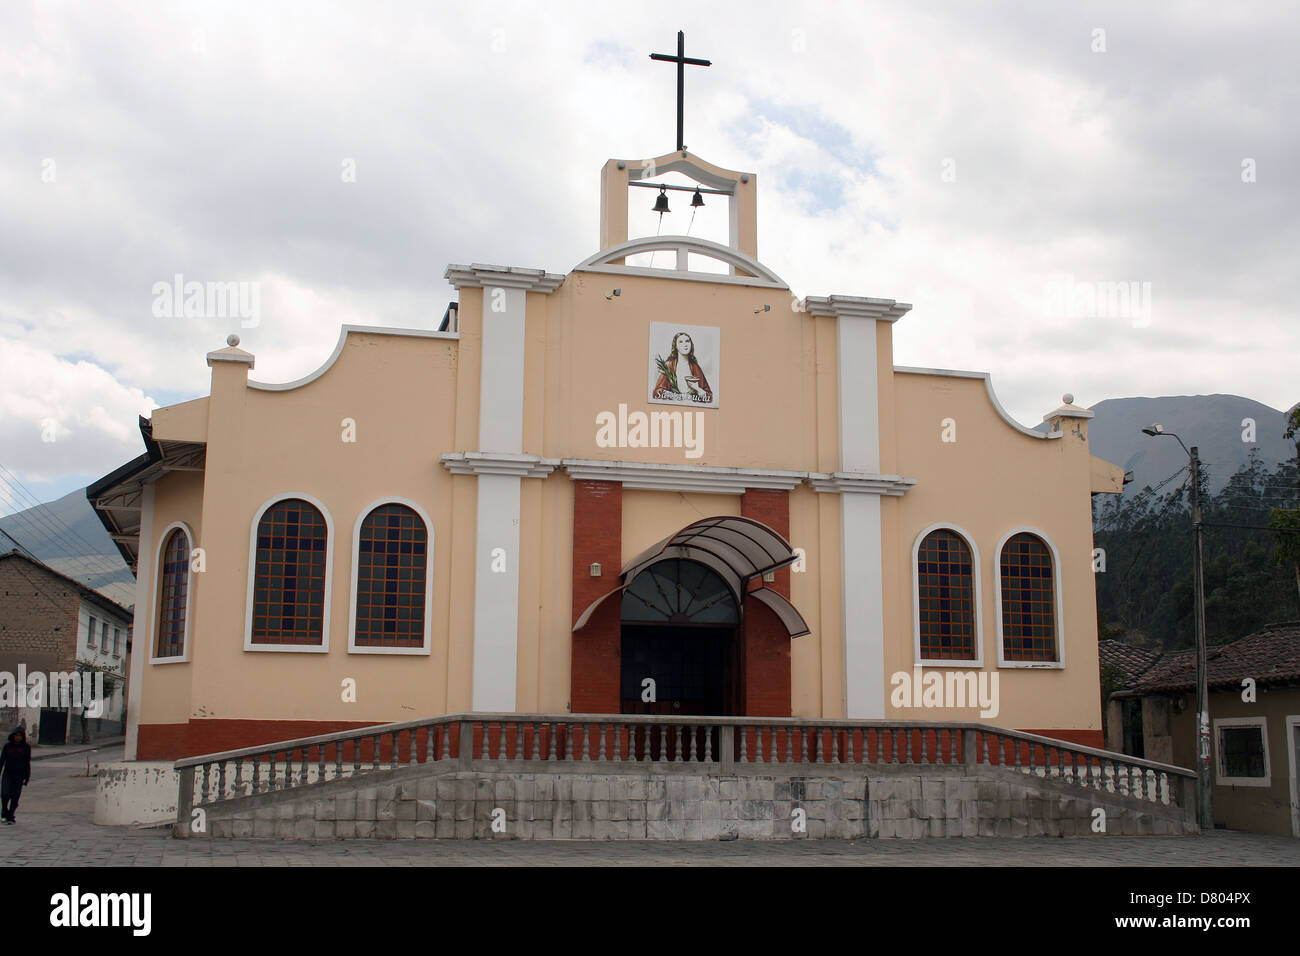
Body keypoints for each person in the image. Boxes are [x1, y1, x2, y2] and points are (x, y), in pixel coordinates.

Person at [652, 331, 713, 404]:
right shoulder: (669, 366)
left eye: (687, 341)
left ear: (691, 345)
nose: (685, 345)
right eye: (681, 342)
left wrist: (698, 389)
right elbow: (657, 392)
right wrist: (678, 397)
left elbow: (709, 397)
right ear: (676, 346)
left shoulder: (695, 367)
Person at [0, 727, 32, 824]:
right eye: (16, 735)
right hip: (7, 774)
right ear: (13, 736)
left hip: (19, 775)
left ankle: (11, 815)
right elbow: (2, 761)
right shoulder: (7, 746)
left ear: (23, 737)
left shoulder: (26, 747)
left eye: (20, 736)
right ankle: (4, 812)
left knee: (15, 796)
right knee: (5, 794)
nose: (18, 737)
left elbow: (27, 763)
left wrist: (27, 777)